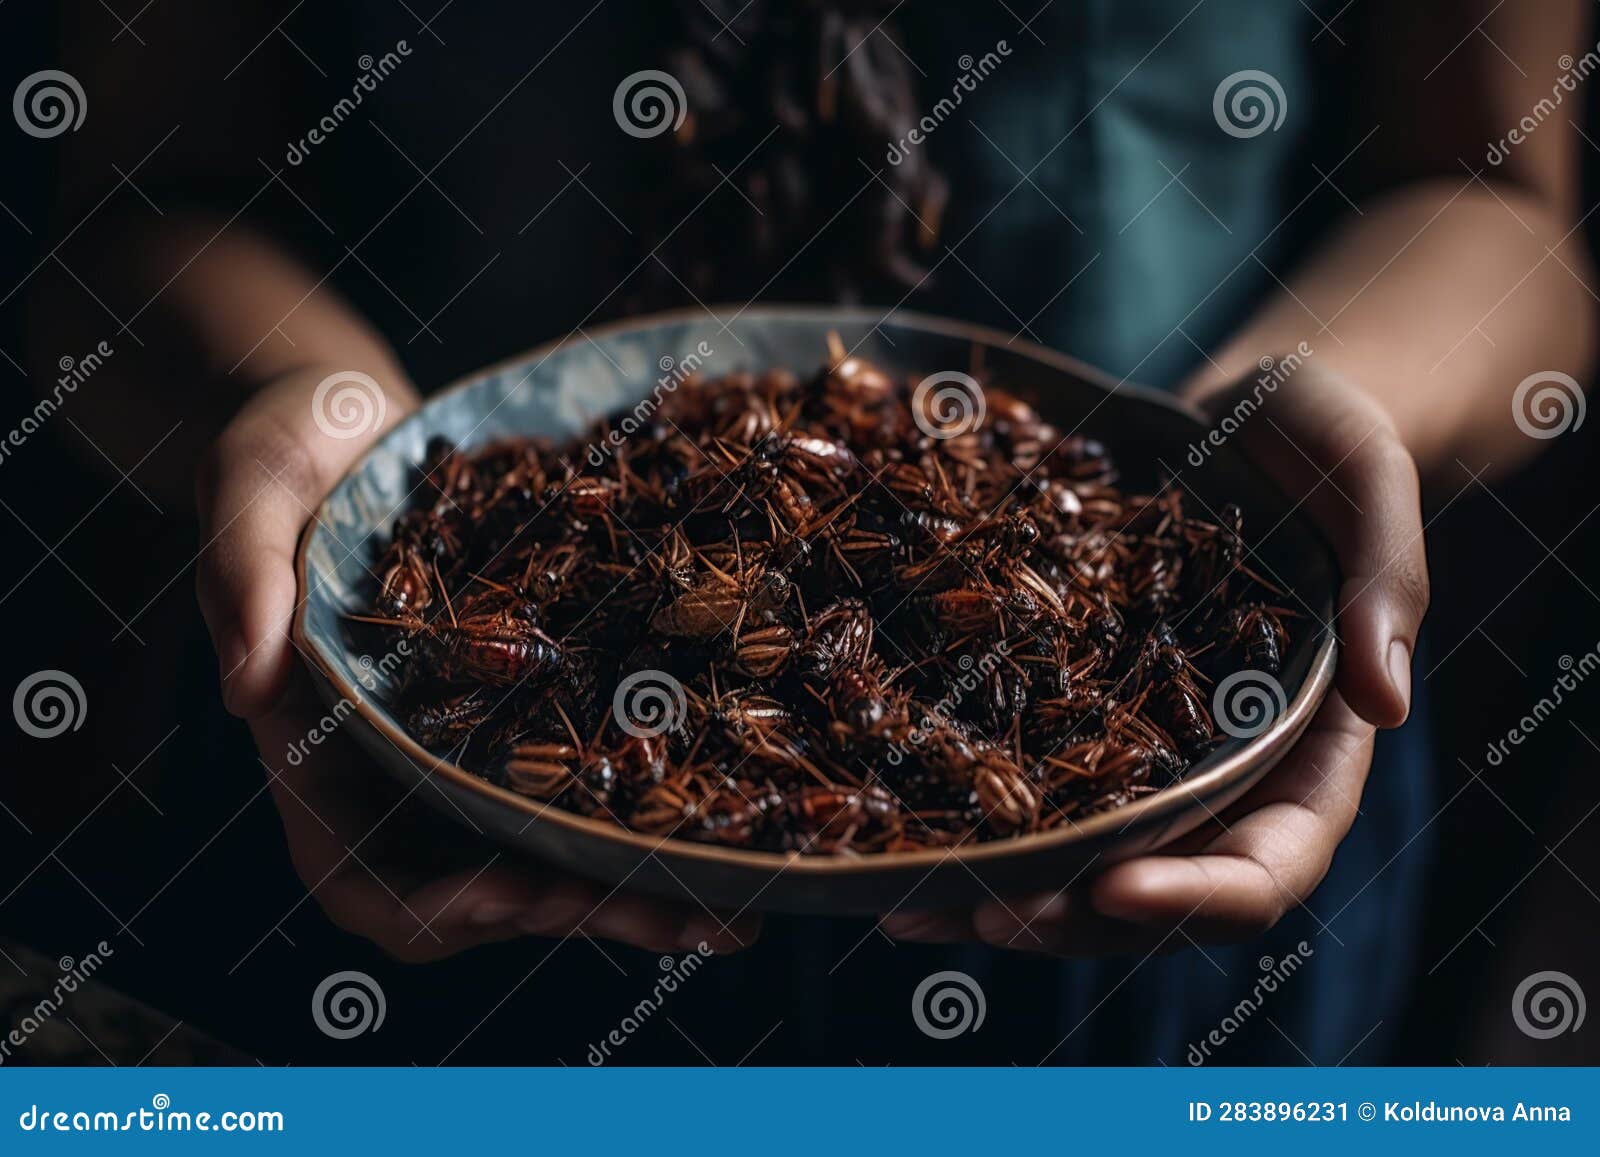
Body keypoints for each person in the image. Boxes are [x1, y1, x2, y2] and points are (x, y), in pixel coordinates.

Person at [33, 1, 1594, 1063]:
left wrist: (1314, 417)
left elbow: (1494, 193)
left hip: (1167, 794)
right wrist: (305, 410)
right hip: (396, 746)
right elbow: (136, 195)